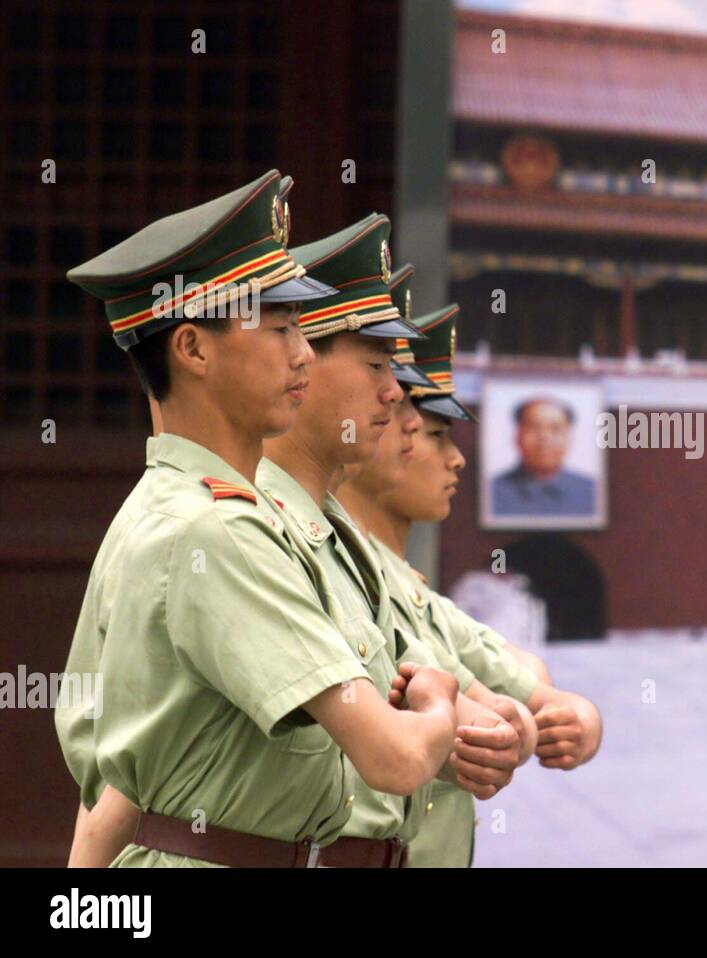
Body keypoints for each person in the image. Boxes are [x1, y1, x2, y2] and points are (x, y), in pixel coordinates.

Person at [55, 172, 461, 867]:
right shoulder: (212, 531)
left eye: (302, 329)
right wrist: (439, 703)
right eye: (278, 329)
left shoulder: (188, 511)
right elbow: (393, 760)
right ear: (193, 349)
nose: (303, 352)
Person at [258, 221, 525, 867]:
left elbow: (486, 690)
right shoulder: (242, 528)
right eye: (378, 368)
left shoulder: (346, 548)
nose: (395, 406)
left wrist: (497, 722)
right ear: (300, 366)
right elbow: (130, 784)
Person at [337, 291, 604, 866]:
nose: (454, 458)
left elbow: (517, 681)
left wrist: (551, 716)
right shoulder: (315, 563)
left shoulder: (405, 586)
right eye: (434, 433)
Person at [490, 396, 596, 517]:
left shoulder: (591, 491)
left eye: (555, 429)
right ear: (517, 435)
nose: (544, 439)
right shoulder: (491, 492)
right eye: (533, 428)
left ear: (569, 437)